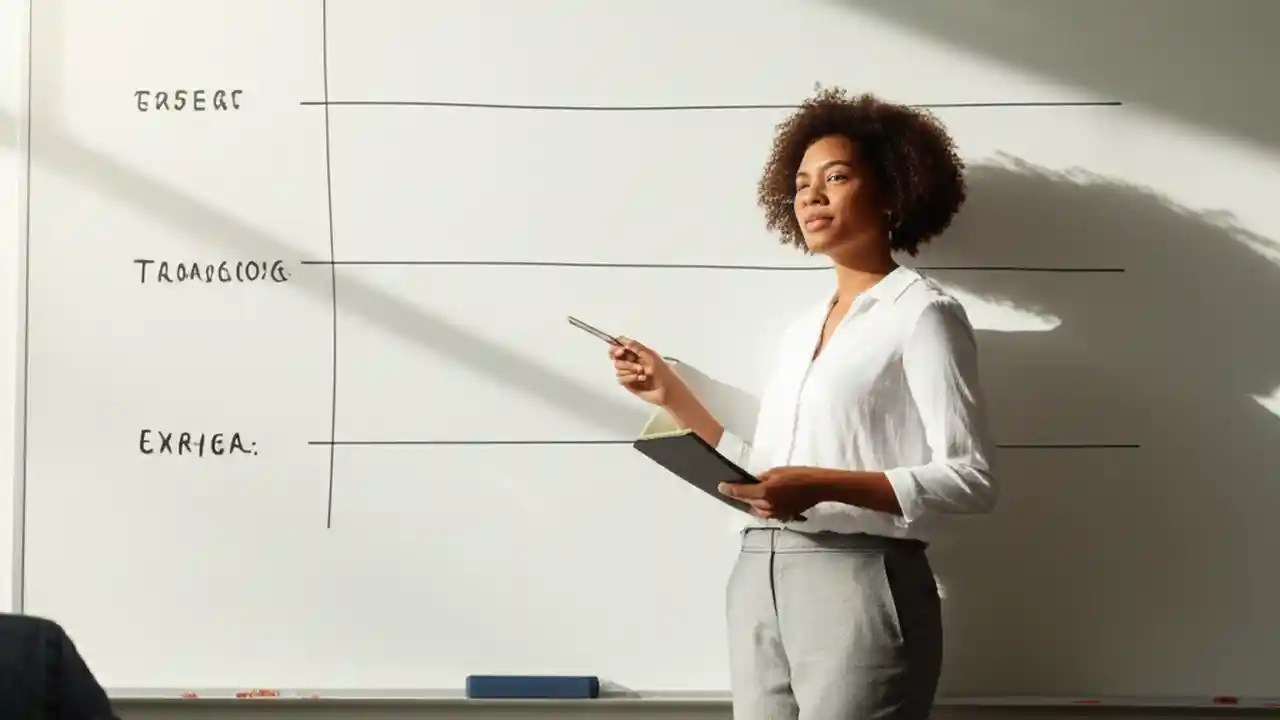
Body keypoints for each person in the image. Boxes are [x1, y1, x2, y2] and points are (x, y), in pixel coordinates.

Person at [607, 87, 997, 719]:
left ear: (892, 191)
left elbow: (972, 479)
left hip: (859, 575)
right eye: (800, 184)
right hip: (756, 574)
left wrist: (822, 484)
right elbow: (766, 472)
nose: (811, 196)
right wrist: (669, 395)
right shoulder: (800, 329)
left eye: (836, 177)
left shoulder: (924, 314)